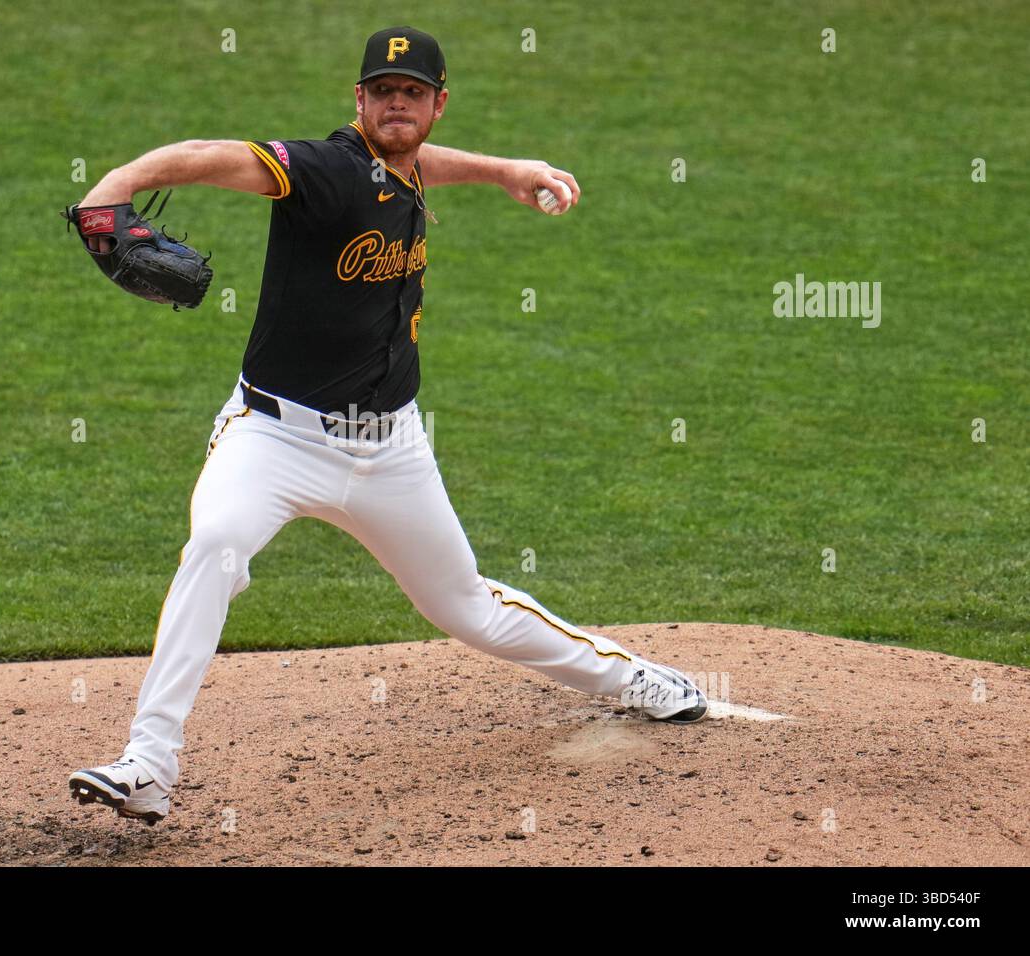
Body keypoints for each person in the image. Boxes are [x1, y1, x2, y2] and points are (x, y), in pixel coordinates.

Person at [68, 25, 707, 825]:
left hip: (391, 447)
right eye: (381, 91)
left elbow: (418, 162)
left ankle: (636, 682)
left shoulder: (402, 167)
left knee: (465, 607)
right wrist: (116, 185)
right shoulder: (324, 169)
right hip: (274, 437)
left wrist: (506, 170)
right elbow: (206, 152)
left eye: (411, 93)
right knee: (215, 547)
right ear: (358, 100)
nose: (395, 104)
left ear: (438, 103)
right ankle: (148, 766)